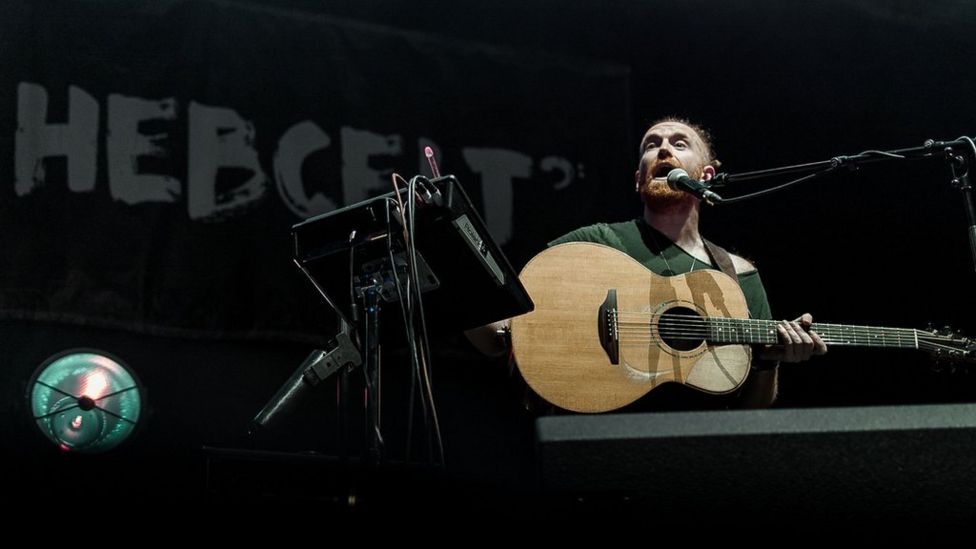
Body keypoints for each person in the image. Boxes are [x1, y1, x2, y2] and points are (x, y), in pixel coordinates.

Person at [468, 117, 827, 410]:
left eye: (679, 144)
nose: (664, 149)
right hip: (599, 441)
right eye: (651, 145)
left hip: (701, 452)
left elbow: (753, 410)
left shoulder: (740, 275)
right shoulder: (597, 243)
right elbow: (502, 329)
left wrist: (769, 361)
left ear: (705, 176)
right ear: (639, 179)